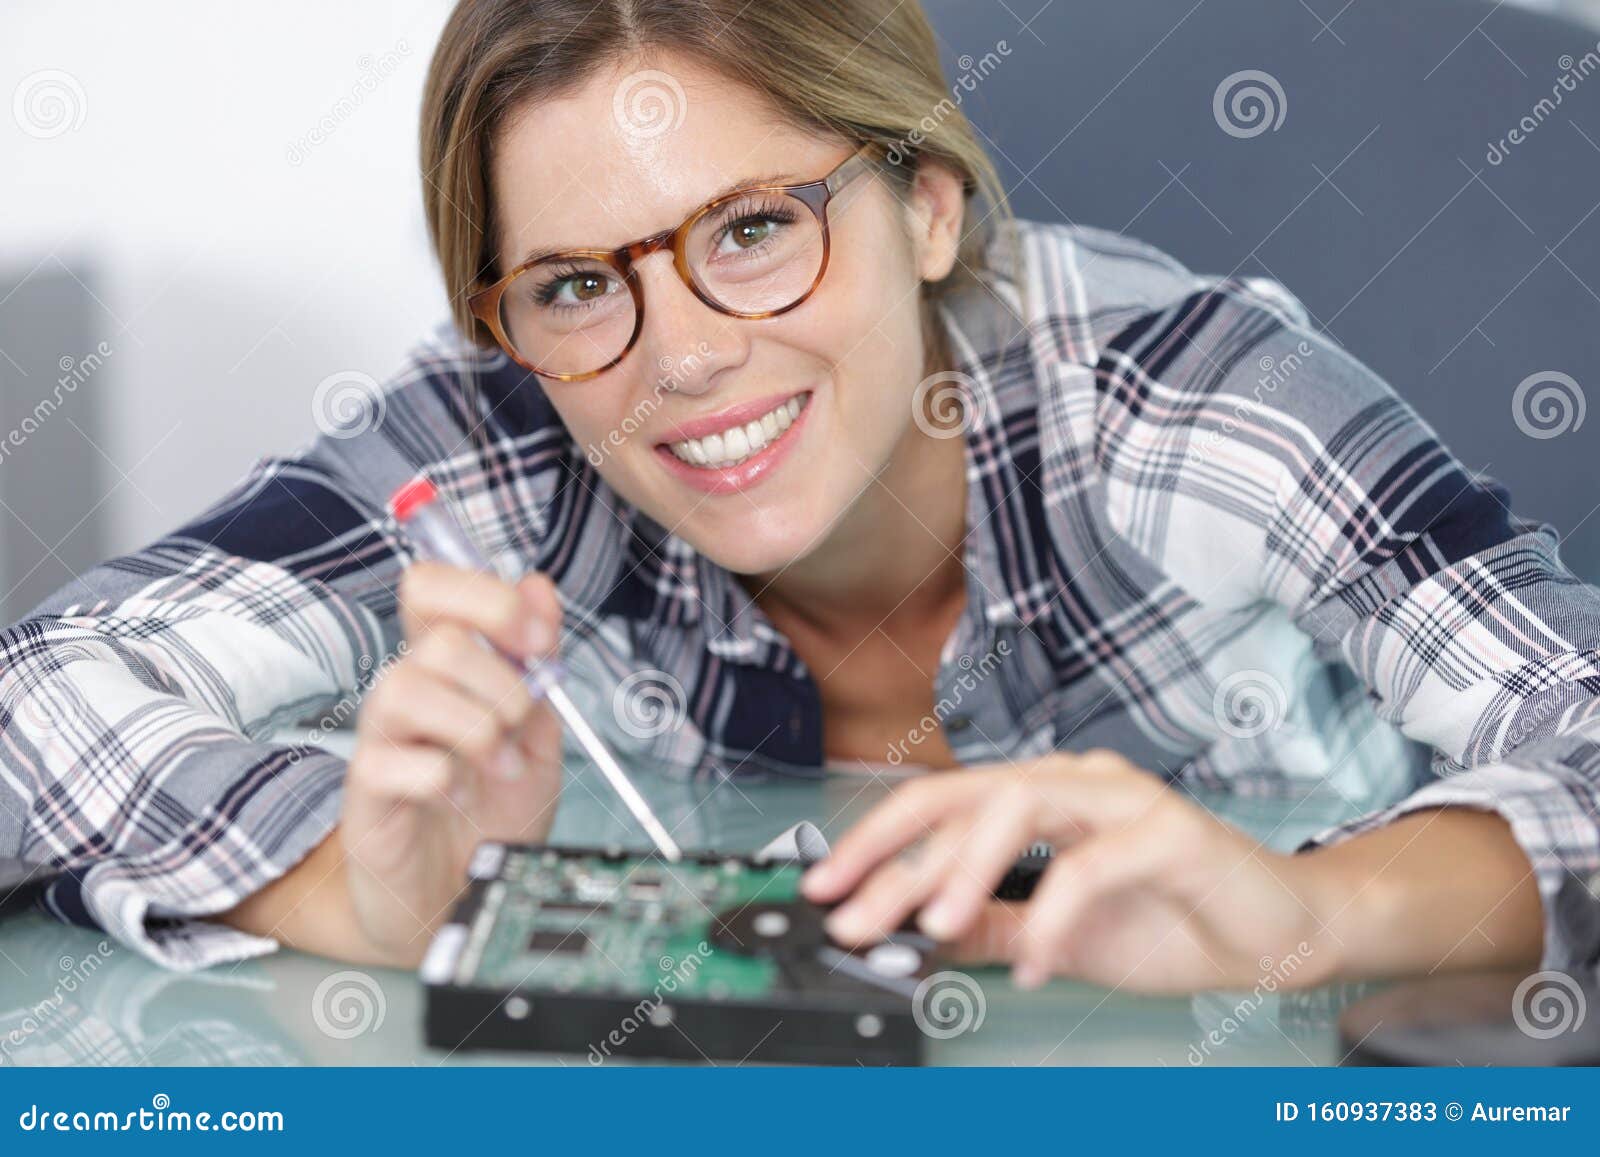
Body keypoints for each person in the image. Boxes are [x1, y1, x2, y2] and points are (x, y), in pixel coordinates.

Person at [2, 0, 1595, 991]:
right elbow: (39, 700)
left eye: (754, 228)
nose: (680, 358)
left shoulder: (1183, 399)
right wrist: (355, 886)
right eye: (568, 284)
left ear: (925, 207)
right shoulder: (512, 426)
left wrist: (1298, 919)